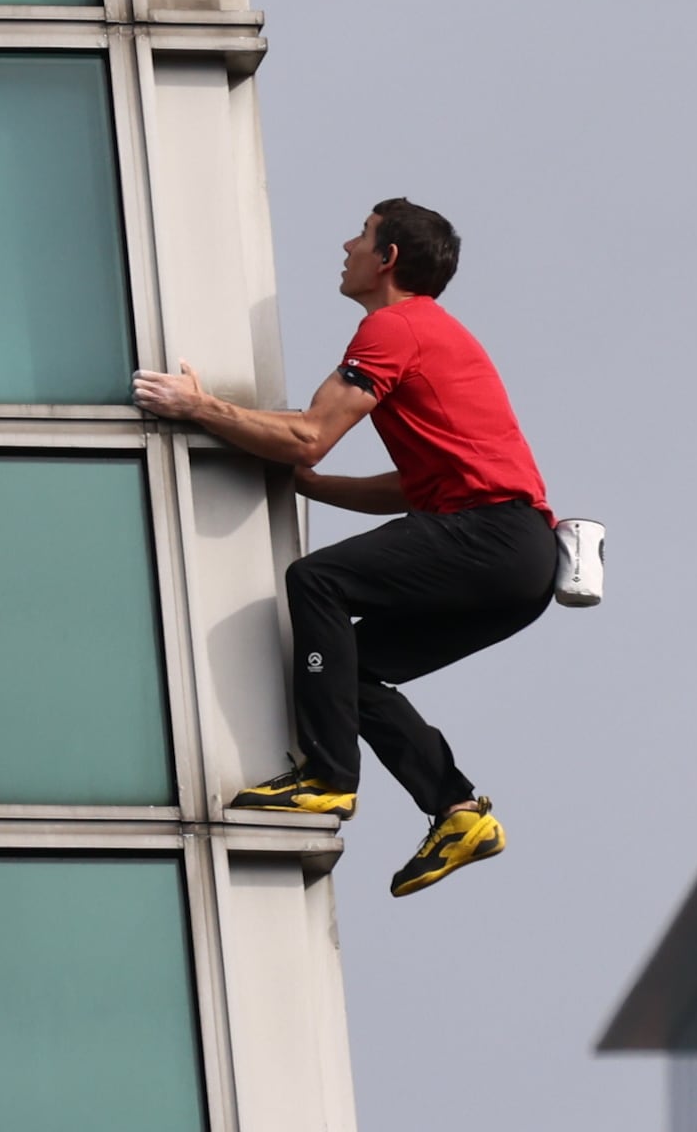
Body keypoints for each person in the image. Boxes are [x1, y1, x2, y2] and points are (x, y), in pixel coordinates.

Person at [133, 197, 556, 897]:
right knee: (352, 672)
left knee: (317, 581)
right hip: (518, 558)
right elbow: (402, 485)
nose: (345, 245)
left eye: (360, 236)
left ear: (387, 258)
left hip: (490, 535)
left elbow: (307, 433)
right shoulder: (429, 334)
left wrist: (198, 408)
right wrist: (311, 485)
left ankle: (328, 780)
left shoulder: (394, 328)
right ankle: (457, 811)